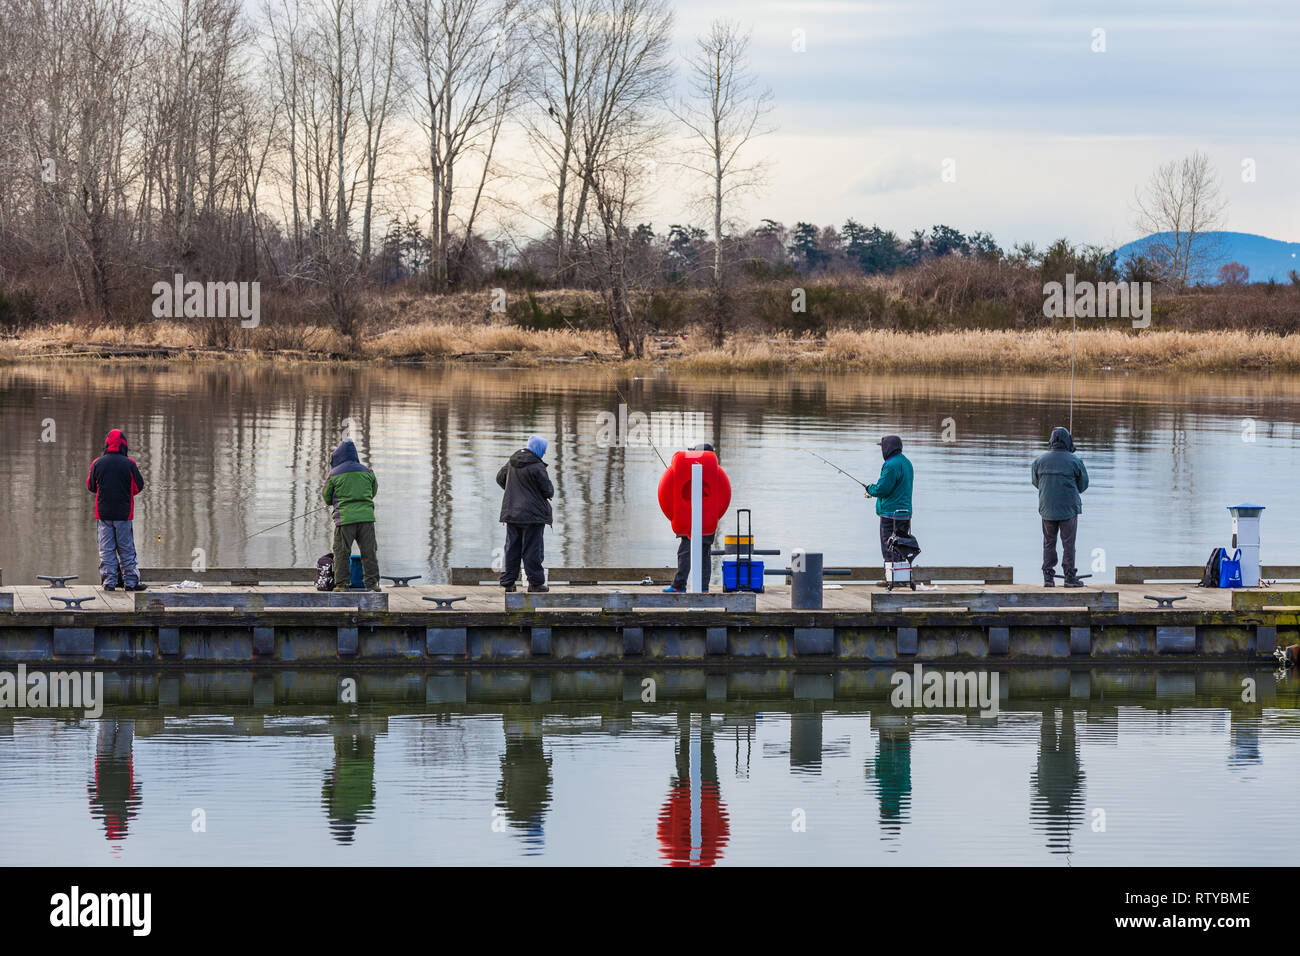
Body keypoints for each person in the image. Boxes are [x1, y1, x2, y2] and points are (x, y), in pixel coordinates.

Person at [660, 442, 731, 593]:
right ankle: (703, 587)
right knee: (705, 553)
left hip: (692, 520)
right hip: (707, 521)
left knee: (686, 553)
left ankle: (680, 585)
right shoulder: (714, 473)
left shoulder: (699, 473)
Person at [86, 428, 146, 591]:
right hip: (124, 515)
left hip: (104, 514)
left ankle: (109, 582)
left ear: (107, 445)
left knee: (106, 549)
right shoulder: (130, 464)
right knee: (126, 549)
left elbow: (91, 486)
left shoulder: (97, 463)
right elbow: (138, 486)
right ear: (124, 446)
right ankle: (131, 583)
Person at [1032, 426, 1089, 587]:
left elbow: (1036, 482)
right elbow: (1083, 485)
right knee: (1068, 544)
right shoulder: (1075, 461)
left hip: (1047, 508)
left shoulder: (1039, 461)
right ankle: (1069, 577)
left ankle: (1048, 578)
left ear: (1051, 441)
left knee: (1049, 542)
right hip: (1068, 509)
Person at [496, 435, 554, 593]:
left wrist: (513, 491)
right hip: (532, 515)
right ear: (538, 449)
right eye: (543, 450)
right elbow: (548, 491)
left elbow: (500, 478)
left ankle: (508, 583)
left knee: (512, 548)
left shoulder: (512, 461)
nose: (543, 454)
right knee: (532, 549)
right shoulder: (537, 466)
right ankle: (535, 584)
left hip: (512, 513)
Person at [324, 439, 381, 591]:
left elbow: (326, 497)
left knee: (341, 552)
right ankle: (372, 584)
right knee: (369, 552)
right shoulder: (368, 471)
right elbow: (373, 491)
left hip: (345, 519)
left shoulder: (334, 474)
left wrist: (337, 500)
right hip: (366, 518)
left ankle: (341, 585)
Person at [866, 435, 914, 561]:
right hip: (905, 515)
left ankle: (892, 579)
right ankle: (901, 577)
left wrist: (869, 488)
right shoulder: (906, 462)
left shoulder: (891, 465)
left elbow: (882, 489)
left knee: (889, 549)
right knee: (902, 547)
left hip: (890, 515)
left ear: (888, 448)